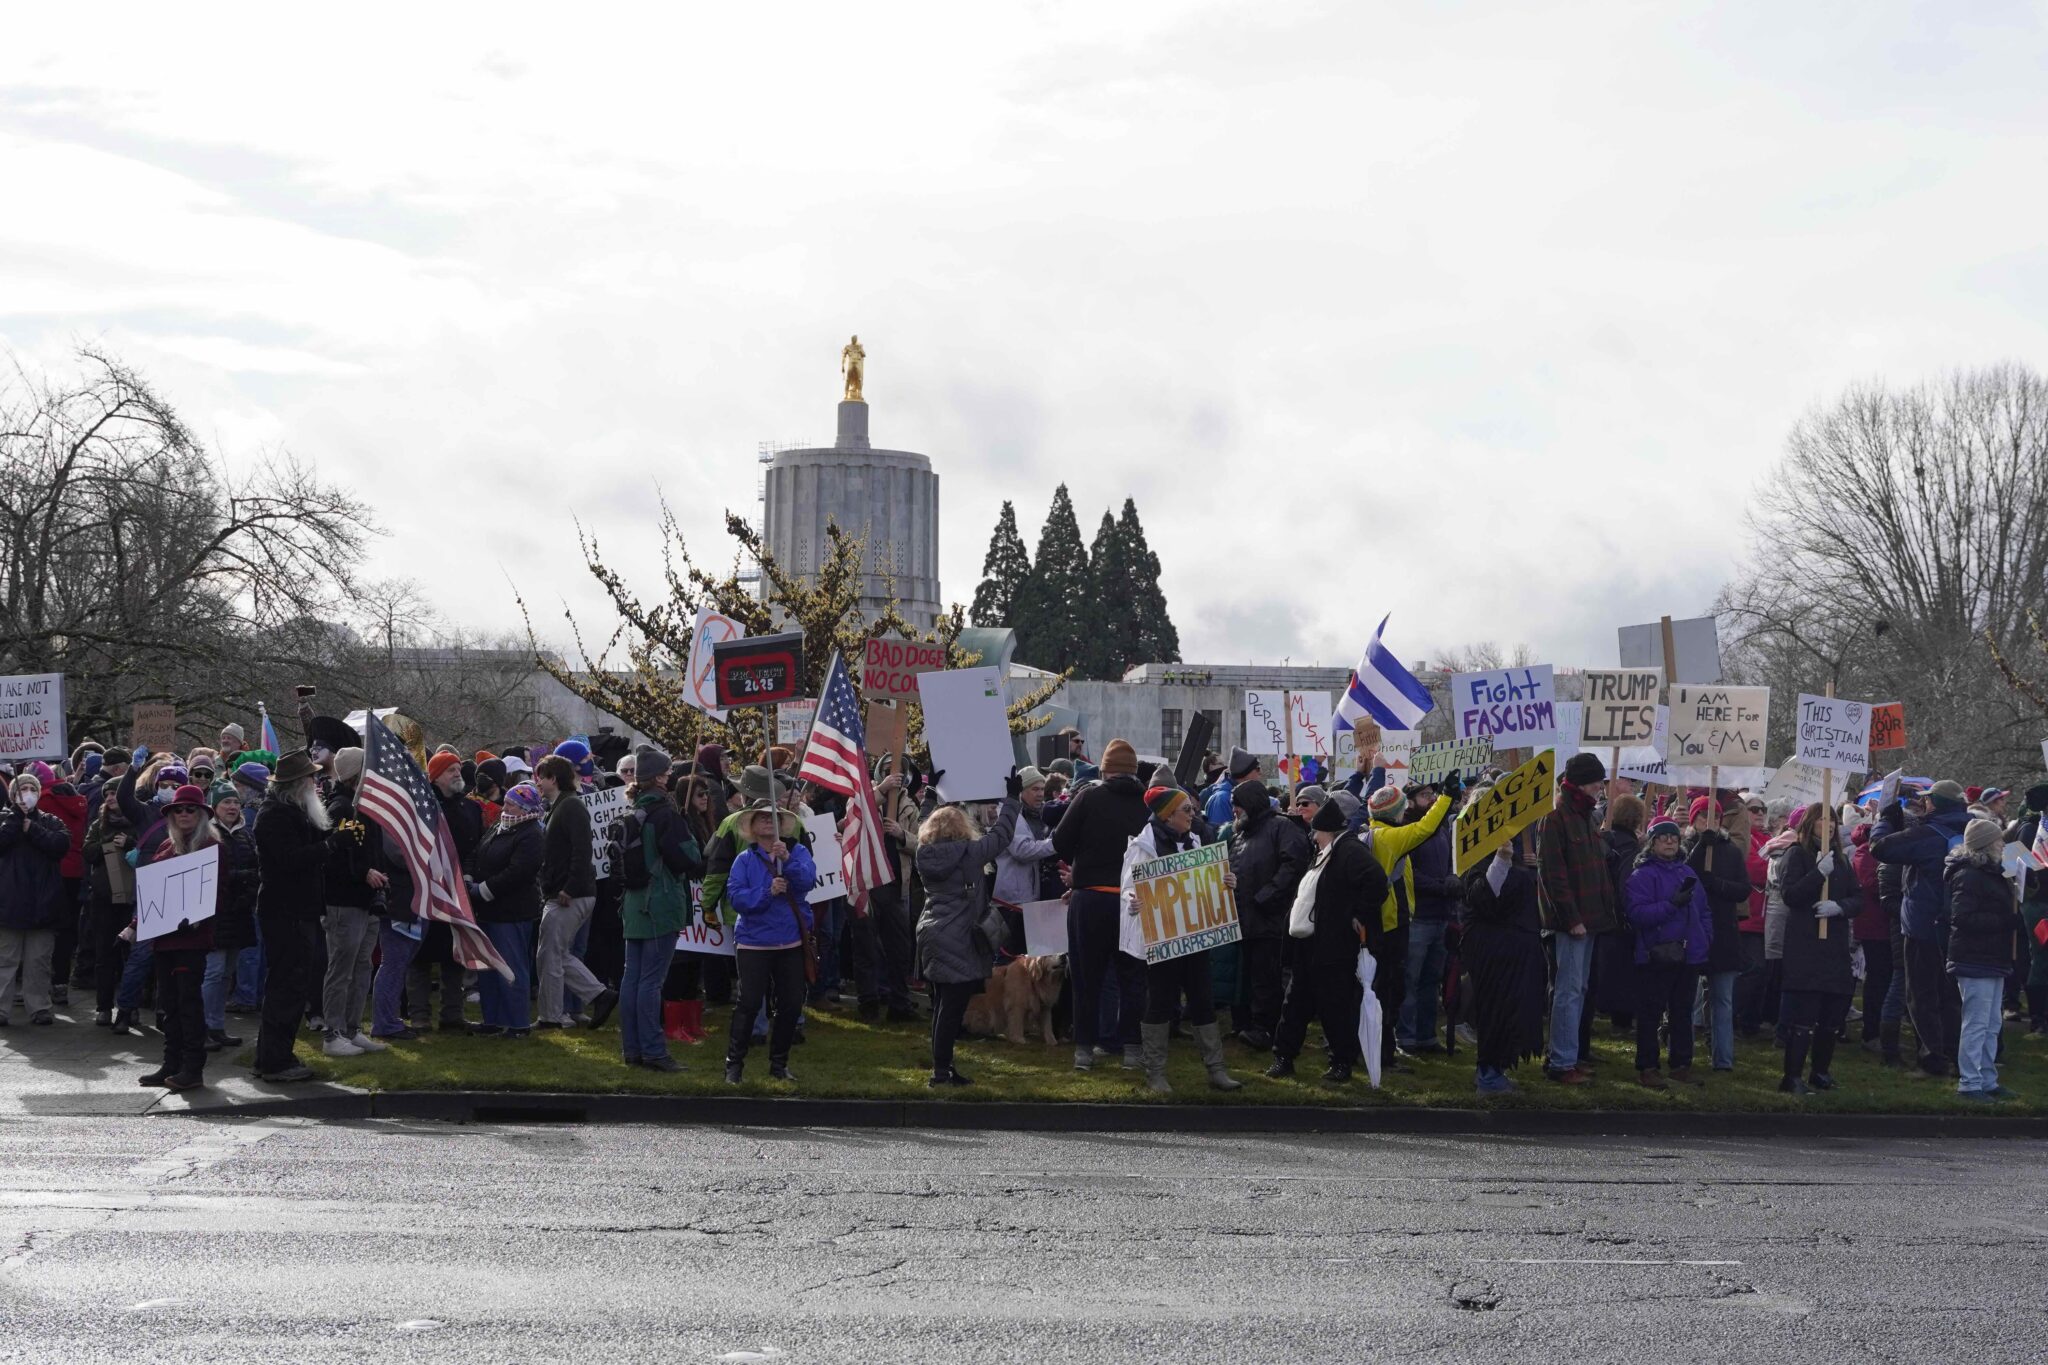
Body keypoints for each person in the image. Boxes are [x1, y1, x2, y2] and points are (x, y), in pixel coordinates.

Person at [1123, 785, 1244, 1092]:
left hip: (1194, 938)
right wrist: (1132, 900)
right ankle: (1155, 1073)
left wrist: (1226, 880)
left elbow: (1204, 884)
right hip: (1164, 940)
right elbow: (1128, 885)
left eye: (1192, 809)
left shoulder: (1195, 840)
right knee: (1161, 1002)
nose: (1194, 814)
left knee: (1203, 999)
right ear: (1167, 815)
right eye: (1186, 810)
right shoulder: (1143, 845)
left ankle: (1216, 1069)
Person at [1270, 793, 1389, 1082]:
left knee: (1334, 1006)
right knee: (1295, 1003)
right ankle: (1284, 1056)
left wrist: (1358, 913)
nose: (1313, 837)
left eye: (1316, 832)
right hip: (1311, 944)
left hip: (1332, 945)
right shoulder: (1328, 851)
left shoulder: (1348, 851)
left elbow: (1376, 881)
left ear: (1327, 831)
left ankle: (1341, 1062)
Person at [1051, 738, 1150, 1071]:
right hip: (1133, 902)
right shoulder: (1148, 804)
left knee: (1085, 978)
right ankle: (1133, 1049)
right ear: (1134, 772)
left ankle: (1084, 1051)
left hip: (1090, 898)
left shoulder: (1089, 797)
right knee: (1132, 978)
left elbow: (1060, 843)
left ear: (1105, 770)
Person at [915, 783, 1022, 1087]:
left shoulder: (924, 852)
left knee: (941, 1006)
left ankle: (945, 1068)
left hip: (932, 930)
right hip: (959, 935)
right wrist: (1012, 799)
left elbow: (923, 821)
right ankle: (939, 1073)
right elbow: (1002, 835)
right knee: (952, 1009)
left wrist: (931, 797)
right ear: (962, 826)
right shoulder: (970, 853)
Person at [1358, 772, 1458, 1074]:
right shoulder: (1391, 838)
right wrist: (1447, 798)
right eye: (1401, 808)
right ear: (1392, 812)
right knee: (1390, 992)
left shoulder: (1375, 833)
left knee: (1390, 990)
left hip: (1387, 923)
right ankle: (1384, 1056)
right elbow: (1426, 828)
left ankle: (1387, 1050)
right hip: (1390, 926)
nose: (1405, 813)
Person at [1872, 779, 1972, 1078]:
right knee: (1952, 997)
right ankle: (1957, 1058)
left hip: (1923, 926)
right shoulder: (1973, 830)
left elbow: (1881, 848)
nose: (1923, 803)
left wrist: (1884, 821)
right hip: (1958, 927)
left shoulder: (1928, 834)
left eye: (1928, 800)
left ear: (1936, 804)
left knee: (1922, 995)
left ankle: (1932, 1061)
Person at [250, 751, 334, 1082]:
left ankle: (276, 1054)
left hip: (299, 910)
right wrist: (329, 848)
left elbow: (309, 847)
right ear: (298, 784)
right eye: (311, 779)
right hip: (286, 912)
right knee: (286, 985)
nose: (315, 784)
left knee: (293, 985)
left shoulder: (293, 812)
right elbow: (290, 860)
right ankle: (274, 1060)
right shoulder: (273, 816)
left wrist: (332, 839)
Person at [618, 746, 702, 1072]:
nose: (670, 777)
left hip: (634, 904)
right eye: (666, 773)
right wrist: (689, 834)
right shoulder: (665, 814)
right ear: (657, 779)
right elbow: (688, 858)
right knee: (651, 982)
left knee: (632, 980)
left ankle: (632, 1050)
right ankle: (654, 1051)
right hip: (661, 903)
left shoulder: (632, 810)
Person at [724, 801, 818, 1084]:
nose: (767, 822)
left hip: (790, 941)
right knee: (749, 1002)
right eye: (761, 818)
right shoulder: (744, 860)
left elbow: (808, 882)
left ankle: (779, 1064)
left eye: (772, 818)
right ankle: (734, 1065)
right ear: (752, 827)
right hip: (754, 943)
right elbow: (736, 897)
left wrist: (787, 861)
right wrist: (767, 892)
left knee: (791, 1004)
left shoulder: (798, 852)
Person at [1538, 752, 1617, 1084]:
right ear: (1582, 783)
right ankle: (1561, 1061)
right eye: (1597, 782)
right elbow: (1554, 876)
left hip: (1589, 918)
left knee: (1576, 989)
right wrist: (1571, 918)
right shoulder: (1556, 819)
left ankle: (1566, 1053)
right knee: (1569, 991)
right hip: (1572, 923)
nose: (1601, 787)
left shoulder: (1586, 817)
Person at [137, 785, 222, 1090]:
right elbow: (152, 894)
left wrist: (202, 915)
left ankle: (192, 1068)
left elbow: (219, 893)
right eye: (179, 810)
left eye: (190, 809)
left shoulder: (211, 847)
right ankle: (171, 1064)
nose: (184, 814)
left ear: (201, 814)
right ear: (171, 815)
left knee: (188, 1003)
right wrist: (135, 924)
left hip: (191, 940)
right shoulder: (164, 849)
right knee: (168, 1005)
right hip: (164, 939)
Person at [318, 748, 401, 1057]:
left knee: (363, 965)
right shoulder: (340, 808)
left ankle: (353, 1029)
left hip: (366, 900)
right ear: (357, 775)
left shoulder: (365, 807)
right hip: (344, 902)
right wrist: (363, 872)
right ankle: (332, 1033)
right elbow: (331, 857)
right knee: (341, 968)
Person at [1775, 804, 1861, 1095]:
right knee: (1804, 1017)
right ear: (1810, 823)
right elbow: (1790, 895)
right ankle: (1792, 1075)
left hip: (1834, 946)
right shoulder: (1796, 855)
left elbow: (1857, 898)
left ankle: (1820, 1071)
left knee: (1830, 1018)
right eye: (1823, 819)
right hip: (1805, 946)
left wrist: (1840, 907)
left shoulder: (1841, 861)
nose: (1830, 824)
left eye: (1833, 819)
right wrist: (1817, 874)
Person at [1623, 818, 1711, 1089]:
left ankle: (1681, 1065)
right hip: (1656, 955)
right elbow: (1637, 914)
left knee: (1682, 1012)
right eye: (1663, 838)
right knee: (1651, 1013)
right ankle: (1648, 1066)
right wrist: (1671, 905)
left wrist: (1705, 939)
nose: (1670, 842)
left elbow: (1705, 911)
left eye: (1674, 837)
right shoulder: (1642, 876)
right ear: (1652, 843)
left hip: (1689, 953)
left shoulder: (1689, 873)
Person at [1460, 830, 1548, 1093]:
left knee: (1512, 1010)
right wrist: (1502, 859)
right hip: (1494, 950)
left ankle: (1497, 1068)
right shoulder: (1479, 861)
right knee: (1495, 1011)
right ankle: (1488, 1074)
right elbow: (1483, 897)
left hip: (1517, 948)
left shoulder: (1519, 855)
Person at [534, 754, 617, 1030]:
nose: (538, 783)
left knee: (552, 954)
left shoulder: (571, 807)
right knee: (553, 954)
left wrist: (569, 887)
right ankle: (596, 996)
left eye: (541, 777)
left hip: (571, 894)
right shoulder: (560, 806)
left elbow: (583, 851)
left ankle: (555, 1015)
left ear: (553, 778)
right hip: (564, 892)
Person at [1228, 775, 1310, 1051]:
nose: (1234, 811)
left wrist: (1266, 897)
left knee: (1267, 978)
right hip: (1246, 920)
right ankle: (1246, 1023)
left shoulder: (1281, 828)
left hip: (1270, 920)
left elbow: (1293, 866)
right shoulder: (1241, 834)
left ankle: (1266, 1029)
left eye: (1237, 805)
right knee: (1249, 976)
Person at [1946, 817, 2020, 1101]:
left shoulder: (1994, 872)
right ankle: (1969, 1082)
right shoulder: (1969, 875)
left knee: (1992, 1024)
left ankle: (1987, 1079)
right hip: (1973, 957)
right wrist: (2004, 920)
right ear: (1985, 845)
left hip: (1992, 956)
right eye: (1998, 839)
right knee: (1976, 1023)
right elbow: (1962, 917)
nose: (2003, 843)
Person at [469, 783, 547, 1038]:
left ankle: (517, 1023)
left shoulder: (531, 832)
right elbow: (479, 851)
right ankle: (492, 1019)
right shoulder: (500, 825)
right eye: (507, 802)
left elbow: (520, 871)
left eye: (513, 804)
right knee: (489, 967)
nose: (506, 807)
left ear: (526, 807)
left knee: (511, 966)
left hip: (512, 911)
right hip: (488, 910)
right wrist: (470, 877)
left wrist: (485, 889)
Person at [1685, 794, 1754, 1073]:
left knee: (1722, 1000)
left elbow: (1743, 888)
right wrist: (1702, 848)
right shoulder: (1685, 846)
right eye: (1703, 817)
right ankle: (1683, 1055)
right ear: (1694, 820)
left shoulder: (1730, 850)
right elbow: (1684, 876)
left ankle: (1723, 1059)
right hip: (1692, 931)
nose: (1709, 822)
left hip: (1724, 930)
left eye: (1714, 816)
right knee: (1688, 999)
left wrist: (1718, 885)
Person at [0, 770, 73, 1026]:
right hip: (9, 903)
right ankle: (1, 1008)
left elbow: (60, 845)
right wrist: (16, 819)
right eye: (22, 790)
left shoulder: (51, 821)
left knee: (38, 962)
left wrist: (34, 830)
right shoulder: (4, 820)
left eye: (32, 789)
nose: (27, 795)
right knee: (5, 961)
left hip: (44, 904)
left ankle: (39, 1007)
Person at [1396, 780, 1458, 1054]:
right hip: (1418, 915)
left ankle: (1426, 1036)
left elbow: (1449, 862)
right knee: (1410, 979)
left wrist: (1452, 878)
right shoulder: (1406, 830)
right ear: (1409, 801)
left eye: (1432, 794)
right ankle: (1406, 1037)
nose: (1431, 798)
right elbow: (1409, 872)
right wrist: (1440, 886)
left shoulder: (1440, 827)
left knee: (1432, 979)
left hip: (1440, 914)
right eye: (1424, 795)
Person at [203, 782, 258, 1052]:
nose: (233, 807)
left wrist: (249, 889)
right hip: (215, 914)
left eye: (236, 802)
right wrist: (240, 878)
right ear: (215, 807)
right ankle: (202, 1027)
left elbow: (254, 866)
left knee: (226, 973)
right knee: (213, 972)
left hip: (238, 912)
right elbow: (210, 874)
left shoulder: (246, 835)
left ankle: (216, 1025)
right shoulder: (208, 835)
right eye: (226, 802)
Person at [81, 783, 138, 1026]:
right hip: (103, 899)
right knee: (104, 954)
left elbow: (148, 850)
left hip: (131, 899)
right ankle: (103, 1006)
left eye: (114, 793)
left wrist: (129, 843)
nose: (110, 798)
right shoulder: (98, 824)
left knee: (131, 957)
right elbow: (87, 852)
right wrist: (107, 845)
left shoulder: (137, 821)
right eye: (107, 794)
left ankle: (129, 1006)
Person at [992, 766, 1060, 957]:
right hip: (1011, 900)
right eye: (1034, 789)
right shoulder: (1010, 815)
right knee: (1011, 958)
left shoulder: (1035, 815)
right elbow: (1022, 850)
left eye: (1042, 789)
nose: (1040, 794)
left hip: (1025, 898)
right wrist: (1057, 843)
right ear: (1021, 791)